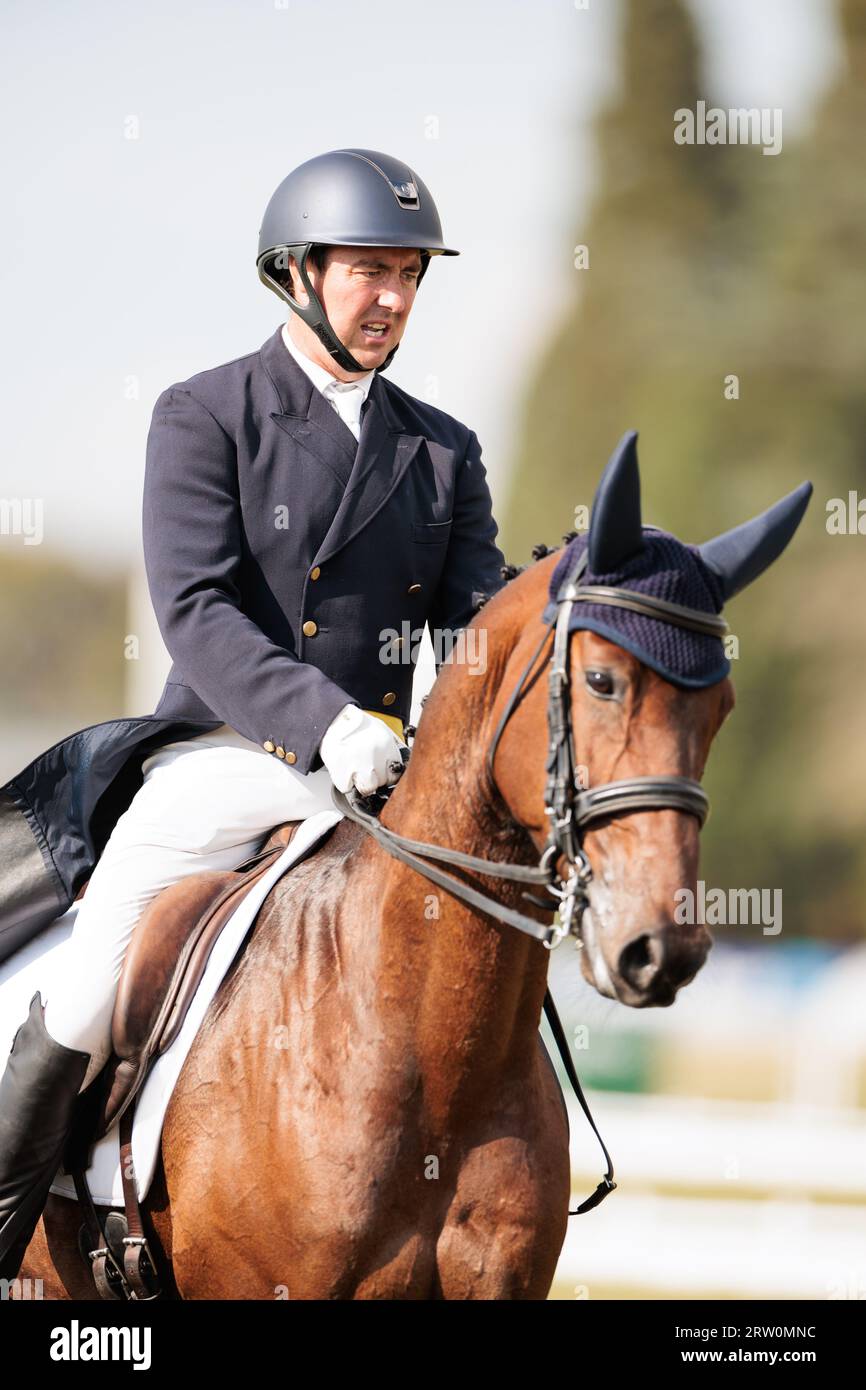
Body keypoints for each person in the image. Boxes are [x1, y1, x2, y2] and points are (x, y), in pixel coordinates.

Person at [0, 147, 506, 1278]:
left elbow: (469, 631)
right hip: (229, 752)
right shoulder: (206, 414)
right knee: (85, 987)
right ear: (297, 272)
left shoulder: (442, 450)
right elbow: (195, 609)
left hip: (382, 776)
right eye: (369, 271)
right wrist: (324, 719)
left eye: (409, 276)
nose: (391, 298)